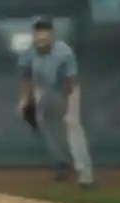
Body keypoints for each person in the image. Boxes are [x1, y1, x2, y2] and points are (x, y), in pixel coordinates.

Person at [16, 17, 95, 188]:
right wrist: (25, 99)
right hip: (44, 90)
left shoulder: (64, 52)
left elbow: (71, 80)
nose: (41, 41)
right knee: (39, 122)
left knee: (72, 123)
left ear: (52, 36)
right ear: (34, 37)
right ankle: (61, 162)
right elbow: (26, 77)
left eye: (45, 37)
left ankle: (85, 173)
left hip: (67, 88)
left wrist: (67, 107)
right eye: (38, 37)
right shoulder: (29, 52)